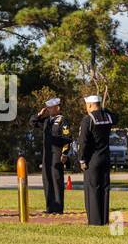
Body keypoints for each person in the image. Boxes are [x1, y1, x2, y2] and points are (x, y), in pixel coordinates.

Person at [76, 94, 116, 226]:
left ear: (90, 105)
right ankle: (104, 219)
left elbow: (83, 141)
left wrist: (81, 159)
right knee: (104, 189)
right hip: (105, 157)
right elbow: (116, 117)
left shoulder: (88, 119)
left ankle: (94, 221)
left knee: (92, 189)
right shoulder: (108, 117)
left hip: (92, 159)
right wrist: (104, 109)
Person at [30, 97, 70, 214]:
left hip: (57, 154)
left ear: (57, 108)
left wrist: (65, 153)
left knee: (56, 180)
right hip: (47, 155)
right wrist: (39, 114)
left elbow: (67, 139)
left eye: (51, 108)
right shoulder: (47, 121)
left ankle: (58, 208)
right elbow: (32, 122)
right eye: (48, 108)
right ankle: (50, 207)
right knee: (47, 180)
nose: (49, 110)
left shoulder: (63, 120)